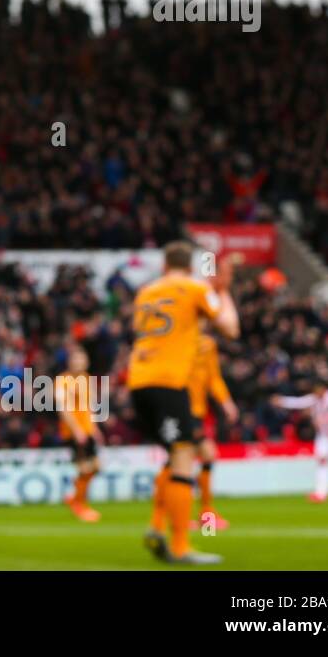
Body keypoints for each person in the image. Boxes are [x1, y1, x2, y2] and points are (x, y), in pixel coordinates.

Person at [129, 242, 239, 565]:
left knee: (175, 455)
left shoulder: (146, 292)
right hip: (170, 384)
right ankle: (180, 546)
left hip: (139, 382)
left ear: (164, 266)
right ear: (190, 267)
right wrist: (225, 292)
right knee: (182, 456)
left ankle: (157, 526)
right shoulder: (194, 288)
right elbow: (231, 328)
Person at [272, 384, 328, 503]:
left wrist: (322, 419)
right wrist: (282, 401)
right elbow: (298, 402)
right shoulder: (313, 398)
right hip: (323, 437)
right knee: (322, 462)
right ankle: (321, 493)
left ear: (323, 388)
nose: (316, 392)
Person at [186, 333, 238, 529]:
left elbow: (213, 378)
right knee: (187, 460)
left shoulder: (207, 344)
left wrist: (226, 402)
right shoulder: (175, 341)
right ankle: (197, 514)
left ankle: (204, 514)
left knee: (203, 456)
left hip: (196, 412)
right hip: (180, 408)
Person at [56, 346, 104, 522]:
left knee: (96, 467)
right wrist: (76, 429)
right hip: (73, 432)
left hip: (87, 430)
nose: (79, 363)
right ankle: (79, 505)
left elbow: (89, 408)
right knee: (84, 467)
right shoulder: (63, 380)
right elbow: (64, 408)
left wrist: (95, 428)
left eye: (81, 359)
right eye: (75, 359)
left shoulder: (86, 379)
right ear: (70, 362)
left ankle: (75, 497)